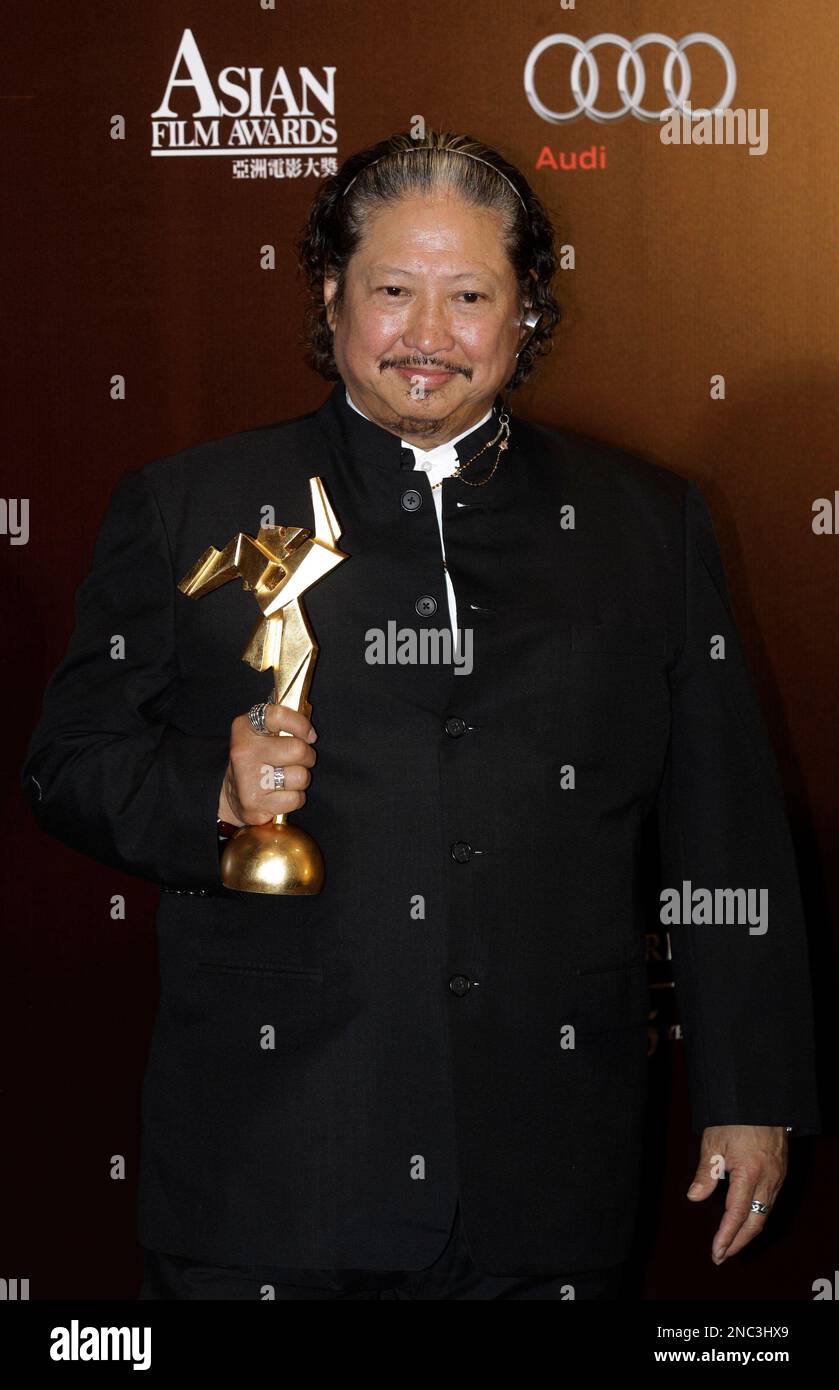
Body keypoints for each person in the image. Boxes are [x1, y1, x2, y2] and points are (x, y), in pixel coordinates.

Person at [21, 130, 820, 1300]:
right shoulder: (188, 502)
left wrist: (751, 1094)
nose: (428, 337)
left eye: (469, 296)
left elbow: (723, 826)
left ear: (525, 313)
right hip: (272, 1165)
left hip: (545, 1173)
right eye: (393, 292)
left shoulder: (644, 523)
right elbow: (67, 763)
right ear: (331, 296)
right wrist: (211, 790)